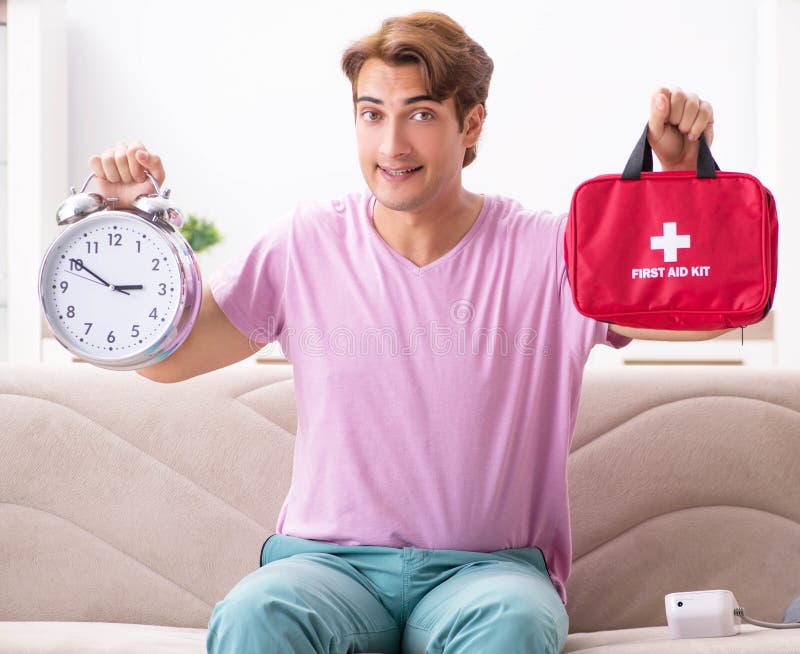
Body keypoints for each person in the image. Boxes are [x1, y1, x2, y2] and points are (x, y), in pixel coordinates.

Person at [89, 11, 732, 654]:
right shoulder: (305, 242)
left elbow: (699, 315)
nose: (391, 144)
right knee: (254, 613)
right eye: (372, 114)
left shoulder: (551, 252)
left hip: (490, 576)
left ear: (471, 123)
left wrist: (675, 185)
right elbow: (166, 361)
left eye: (420, 114)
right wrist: (132, 231)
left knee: (516, 623)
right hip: (326, 570)